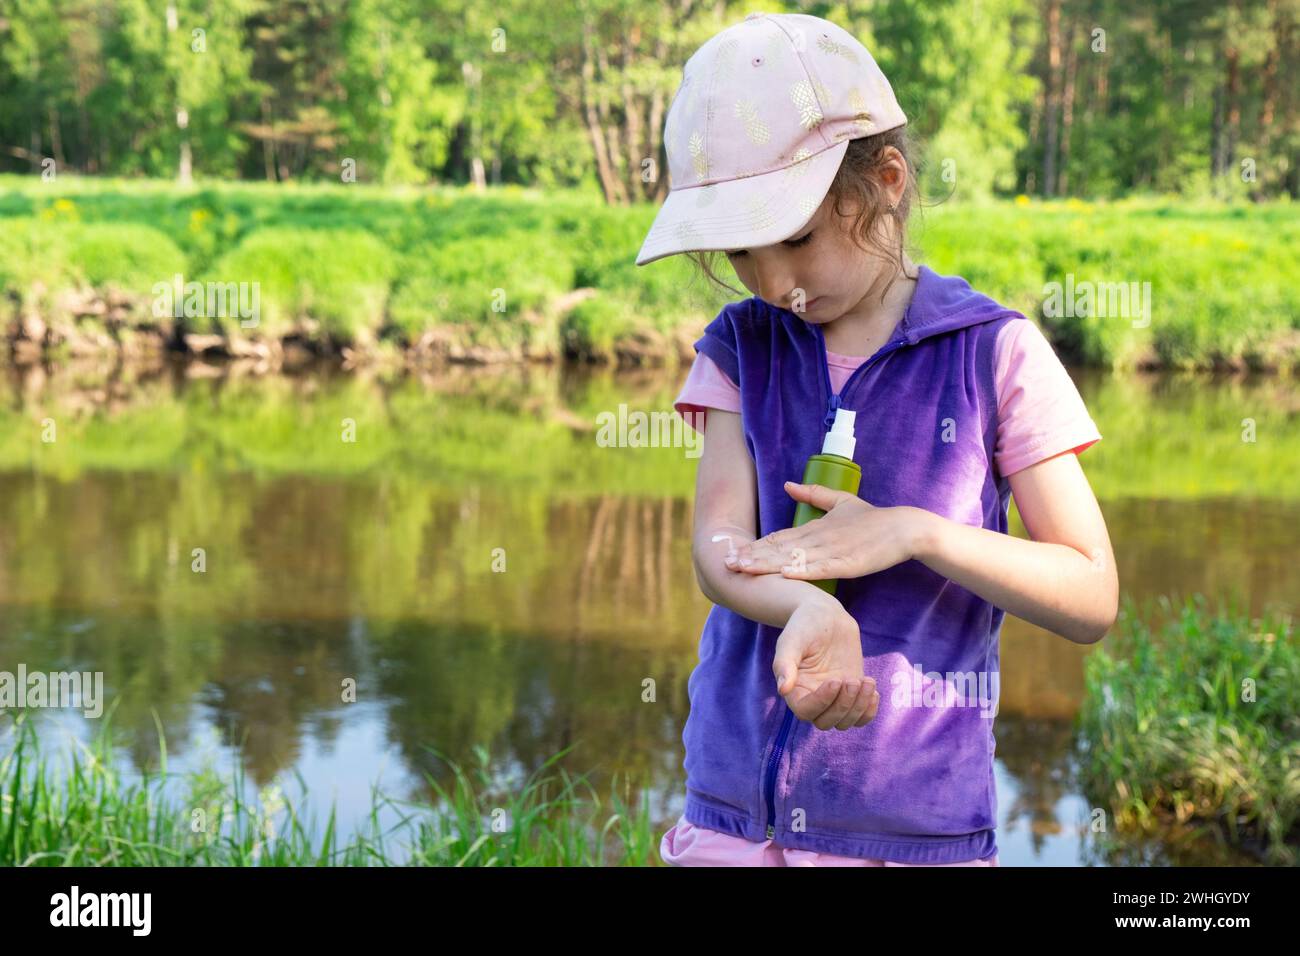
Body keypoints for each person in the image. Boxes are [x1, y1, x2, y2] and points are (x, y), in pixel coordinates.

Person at [634, 11, 1118, 867]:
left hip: (913, 837)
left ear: (885, 180)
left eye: (796, 239)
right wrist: (805, 604)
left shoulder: (994, 355)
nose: (773, 282)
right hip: (733, 825)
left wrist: (912, 532)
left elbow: (1090, 595)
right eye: (743, 253)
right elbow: (719, 548)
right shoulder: (739, 349)